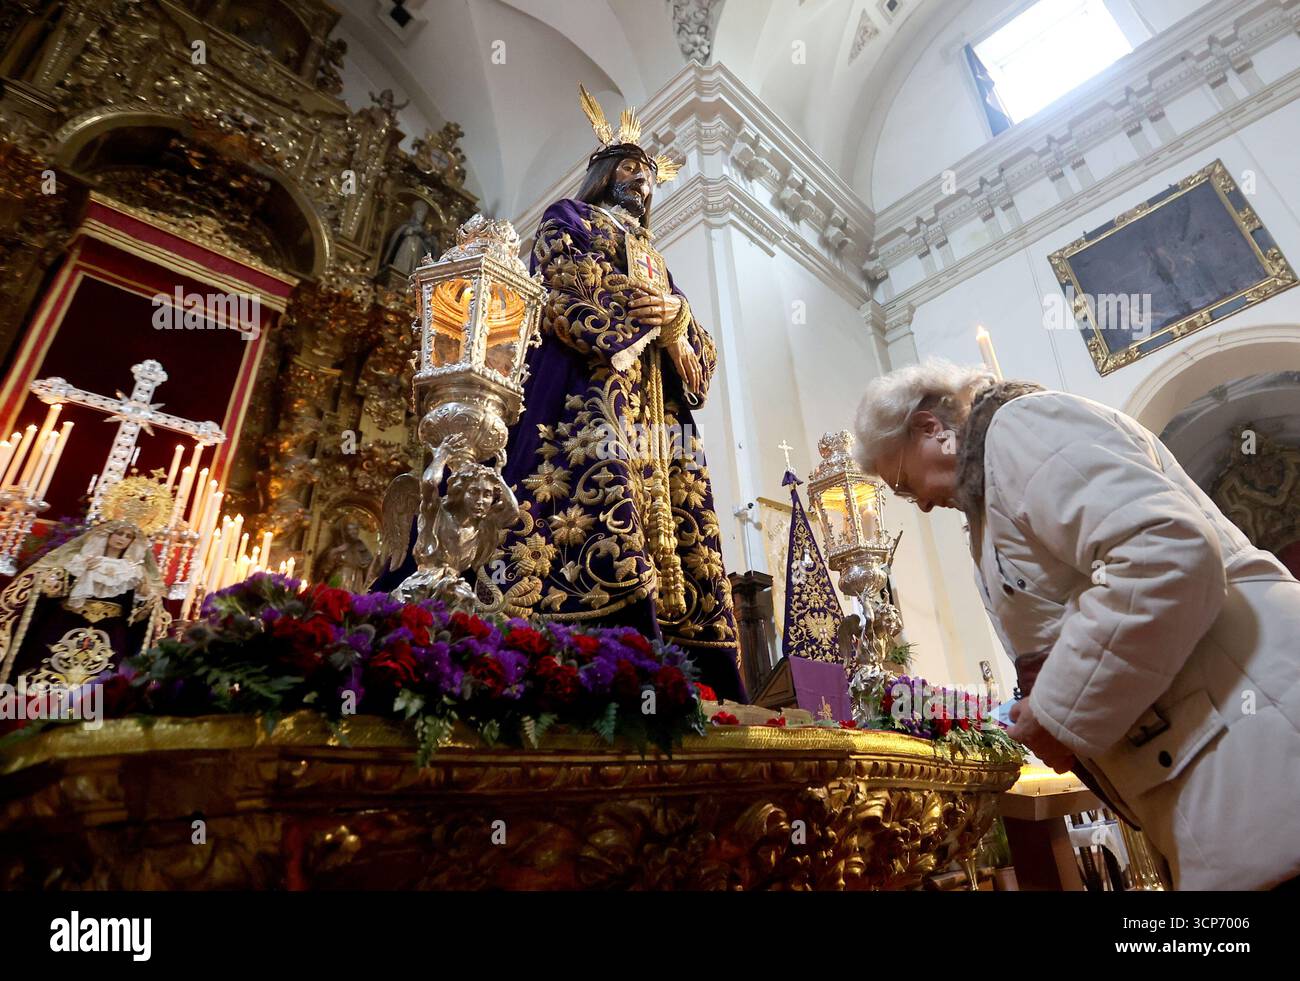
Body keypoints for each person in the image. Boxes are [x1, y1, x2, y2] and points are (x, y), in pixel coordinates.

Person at [852, 358, 1300, 890]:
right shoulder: (991, 495)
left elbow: (1161, 554)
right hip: (1224, 756)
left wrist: (1055, 711)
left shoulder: (1021, 430)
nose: (920, 505)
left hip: (1256, 740)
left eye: (904, 484)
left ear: (932, 428)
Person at [375, 85, 743, 700]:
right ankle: (577, 655)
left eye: (650, 177)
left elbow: (694, 338)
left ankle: (686, 675)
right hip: (588, 388)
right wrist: (636, 322)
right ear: (604, 172)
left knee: (675, 524)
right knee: (590, 504)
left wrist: (677, 321)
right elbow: (562, 284)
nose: (643, 184)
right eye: (630, 168)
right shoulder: (569, 218)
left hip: (658, 410)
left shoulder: (657, 257)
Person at [0, 519, 165, 690]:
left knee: (101, 679)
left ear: (132, 542)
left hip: (110, 631)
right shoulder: (79, 560)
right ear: (107, 534)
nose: (121, 538)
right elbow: (53, 587)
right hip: (66, 621)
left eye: (128, 536)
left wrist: (145, 596)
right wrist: (55, 578)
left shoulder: (135, 571)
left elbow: (139, 615)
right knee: (43, 663)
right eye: (118, 533)